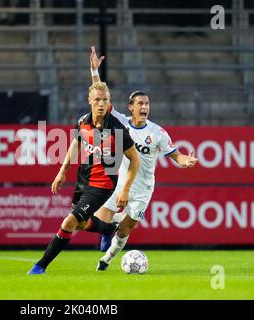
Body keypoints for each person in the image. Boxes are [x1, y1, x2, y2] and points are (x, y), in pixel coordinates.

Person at [88, 46, 198, 271]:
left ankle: (105, 260)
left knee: (125, 230)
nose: (145, 107)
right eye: (140, 103)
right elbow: (100, 99)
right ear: (131, 107)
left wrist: (185, 160)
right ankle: (109, 228)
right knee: (98, 222)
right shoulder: (120, 121)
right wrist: (94, 72)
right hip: (118, 185)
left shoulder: (157, 133)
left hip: (143, 190)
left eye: (147, 104)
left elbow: (175, 155)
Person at [27, 81, 141, 275]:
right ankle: (107, 229)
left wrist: (126, 189)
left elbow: (135, 160)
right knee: (80, 223)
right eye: (97, 99)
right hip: (83, 181)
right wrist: (62, 171)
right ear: (89, 100)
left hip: (103, 185)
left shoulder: (117, 129)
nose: (101, 103)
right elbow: (75, 144)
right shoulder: (83, 122)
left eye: (105, 99)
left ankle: (40, 266)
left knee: (69, 223)